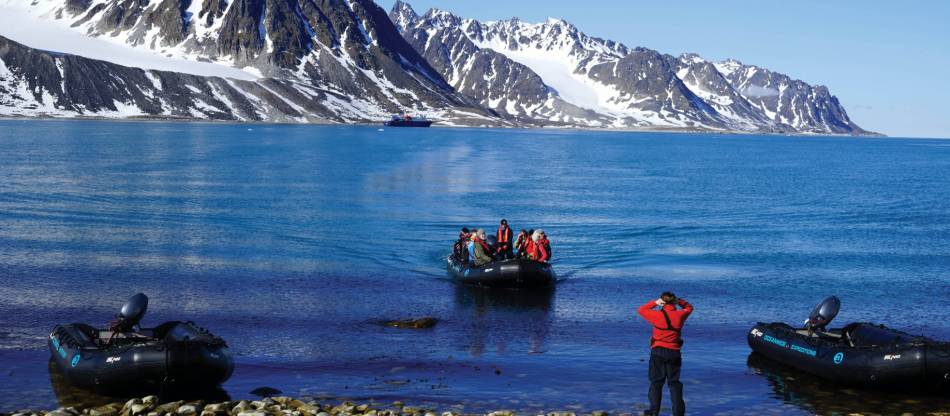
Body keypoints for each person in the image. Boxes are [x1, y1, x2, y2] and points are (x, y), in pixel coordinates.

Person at [637, 292, 693, 416]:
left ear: (662, 302)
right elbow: (689, 308)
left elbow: (641, 309)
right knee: (674, 383)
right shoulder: (680, 315)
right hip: (674, 352)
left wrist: (655, 303)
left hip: (658, 351)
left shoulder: (656, 315)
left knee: (656, 383)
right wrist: (680, 301)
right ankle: (678, 413)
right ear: (674, 302)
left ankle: (653, 412)